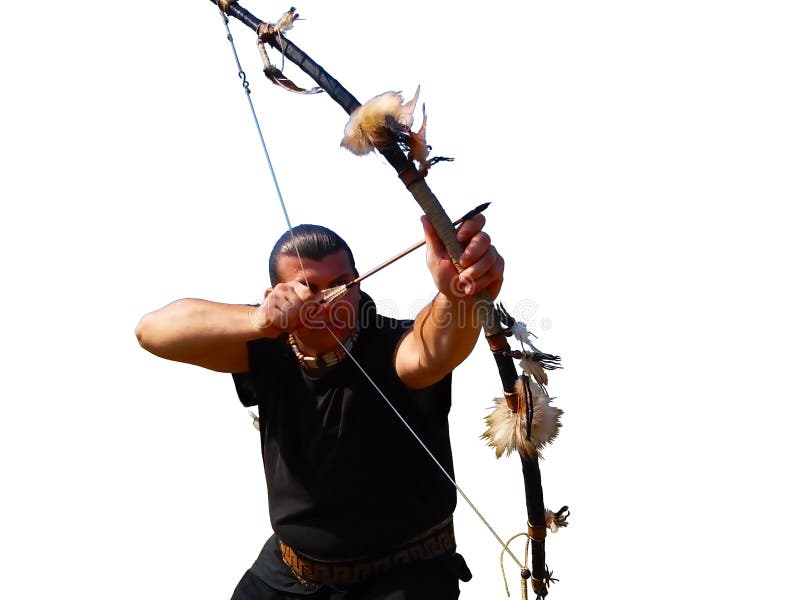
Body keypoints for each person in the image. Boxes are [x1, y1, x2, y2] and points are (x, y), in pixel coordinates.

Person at [135, 214, 504, 599]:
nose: (329, 300)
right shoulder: (268, 342)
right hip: (290, 573)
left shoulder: (392, 345)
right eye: (308, 287)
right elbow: (151, 331)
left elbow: (433, 350)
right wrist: (257, 319)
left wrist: (454, 295)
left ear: (358, 283)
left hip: (404, 576)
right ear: (276, 295)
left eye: (341, 284)